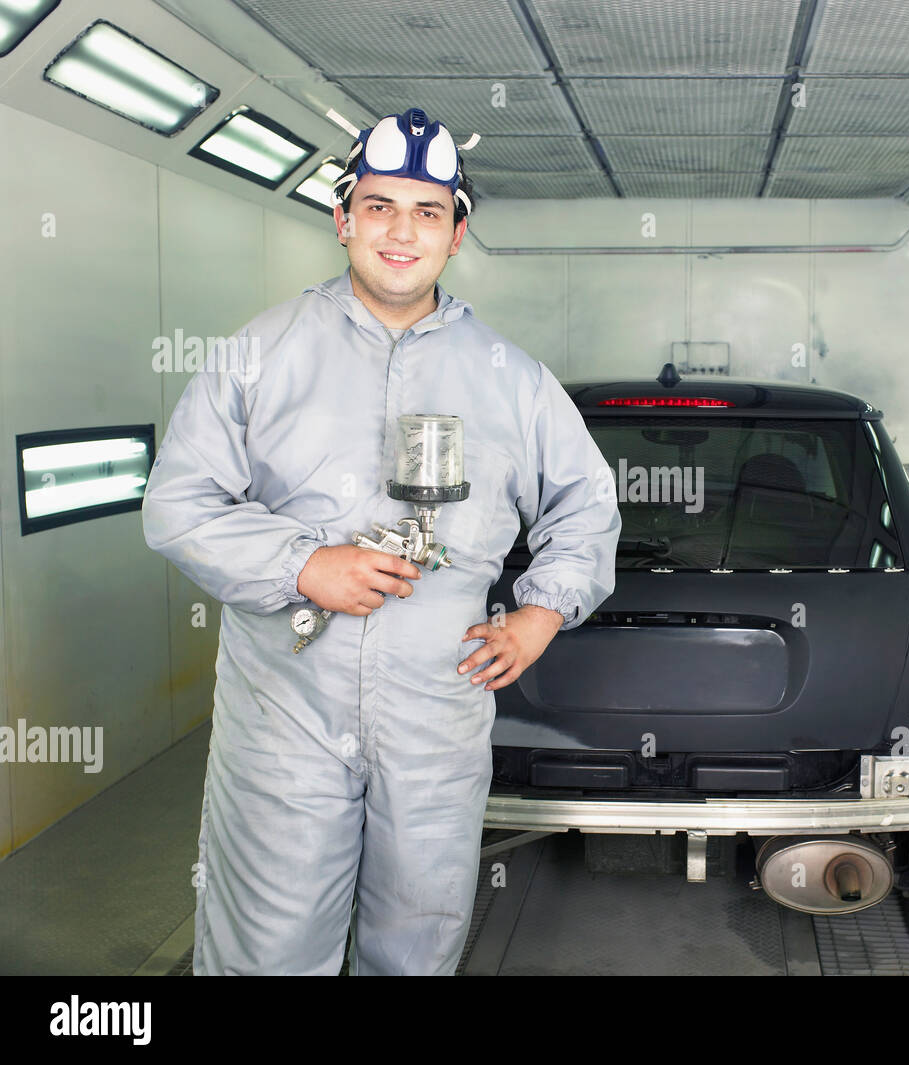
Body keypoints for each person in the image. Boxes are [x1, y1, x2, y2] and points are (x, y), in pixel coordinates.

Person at [142, 107, 621, 975]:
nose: (402, 231)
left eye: (428, 212)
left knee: (417, 944)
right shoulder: (260, 352)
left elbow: (586, 503)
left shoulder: (513, 378)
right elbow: (177, 503)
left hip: (436, 713)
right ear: (343, 219)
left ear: (457, 232)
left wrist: (542, 611)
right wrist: (302, 563)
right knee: (268, 948)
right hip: (287, 713)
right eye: (379, 206)